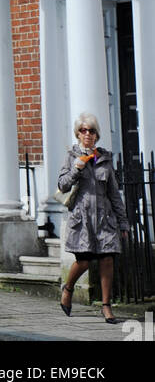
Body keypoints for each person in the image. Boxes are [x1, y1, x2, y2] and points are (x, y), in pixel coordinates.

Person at [58, 112, 130, 324]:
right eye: (83, 130)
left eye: (91, 131)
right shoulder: (72, 156)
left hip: (105, 219)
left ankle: (106, 307)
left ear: (96, 135)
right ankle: (68, 288)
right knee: (84, 261)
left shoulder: (104, 158)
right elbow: (62, 185)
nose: (87, 134)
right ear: (78, 134)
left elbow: (114, 194)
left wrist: (123, 222)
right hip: (83, 220)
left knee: (108, 259)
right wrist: (76, 169)